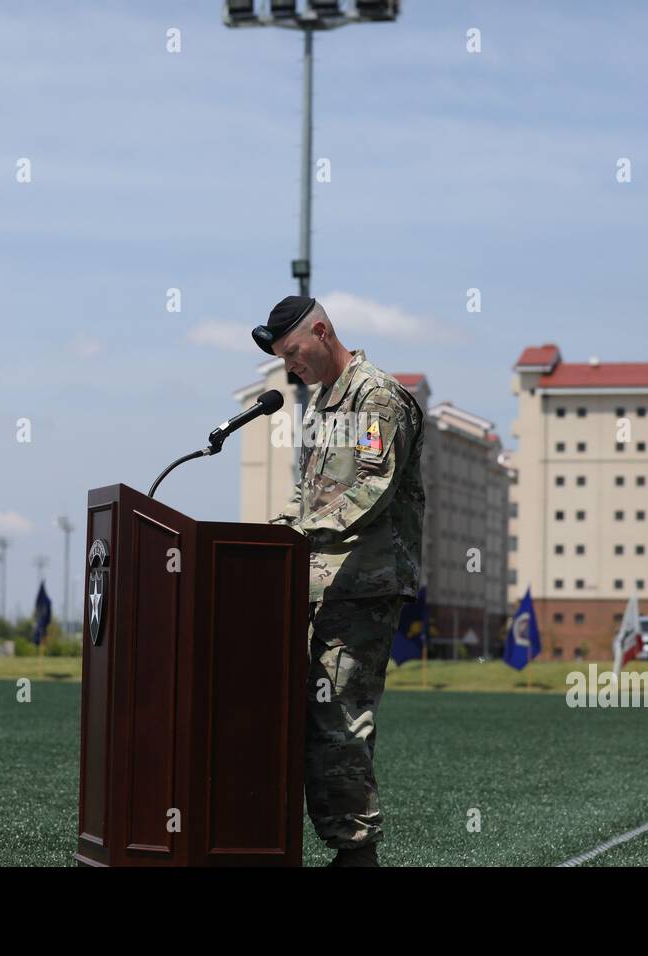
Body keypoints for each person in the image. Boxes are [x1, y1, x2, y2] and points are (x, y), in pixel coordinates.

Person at [251, 295, 424, 867]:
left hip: (363, 582)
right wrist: (271, 536)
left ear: (322, 331)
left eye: (293, 352)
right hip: (317, 584)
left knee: (339, 716)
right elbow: (307, 494)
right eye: (282, 359)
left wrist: (301, 534)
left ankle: (356, 854)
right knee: (309, 711)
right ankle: (331, 845)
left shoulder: (375, 395)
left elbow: (372, 490)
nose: (290, 365)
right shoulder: (323, 402)